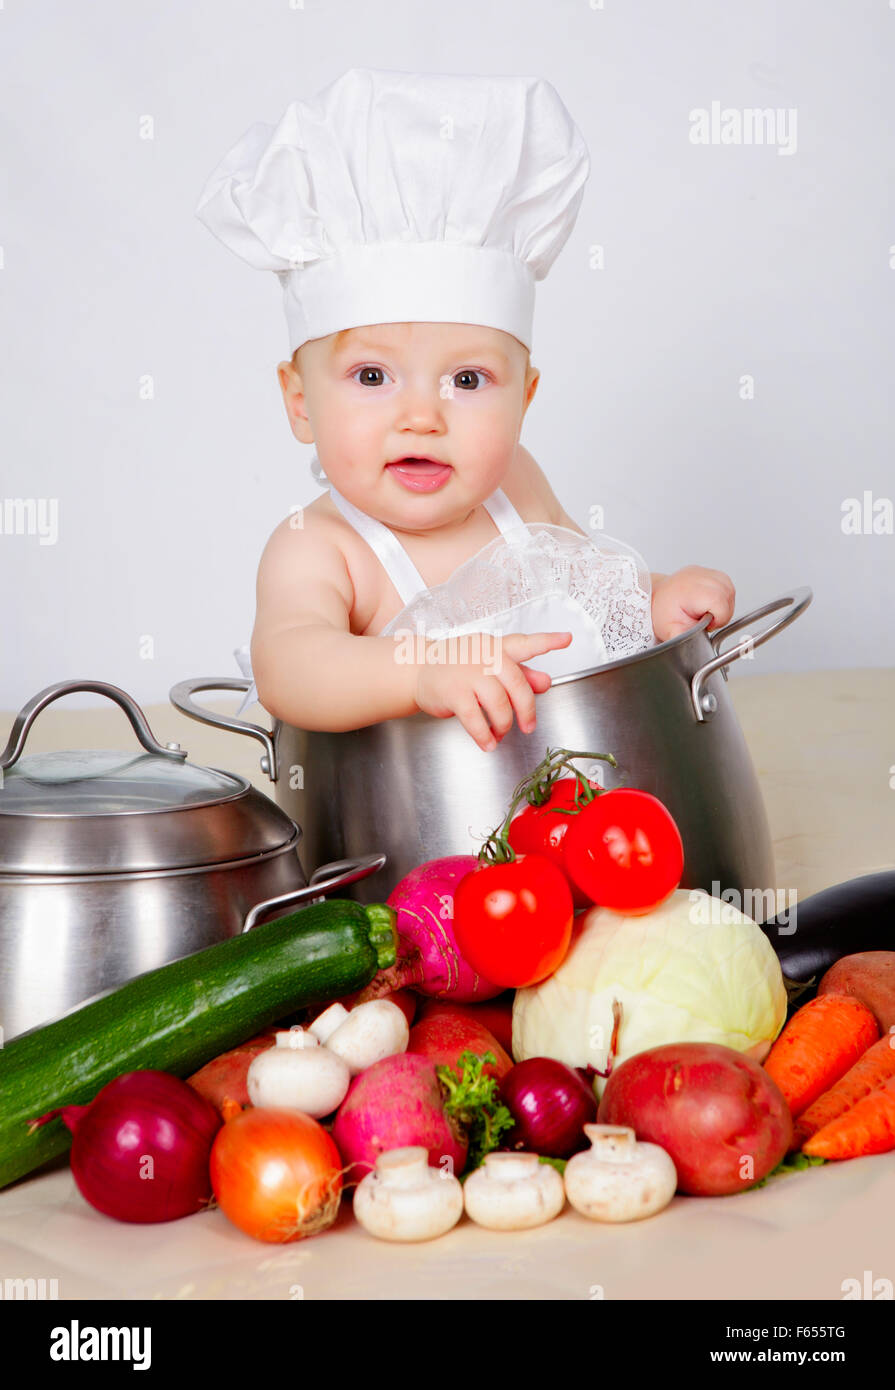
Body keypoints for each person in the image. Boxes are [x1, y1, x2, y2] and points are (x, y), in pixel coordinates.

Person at [196, 68, 734, 752]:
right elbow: (290, 667)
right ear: (300, 404)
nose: (423, 416)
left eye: (469, 380)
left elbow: (595, 586)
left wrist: (654, 601)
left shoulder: (518, 484)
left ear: (523, 401)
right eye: (371, 375)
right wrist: (421, 671)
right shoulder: (318, 547)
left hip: (581, 809)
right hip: (415, 830)